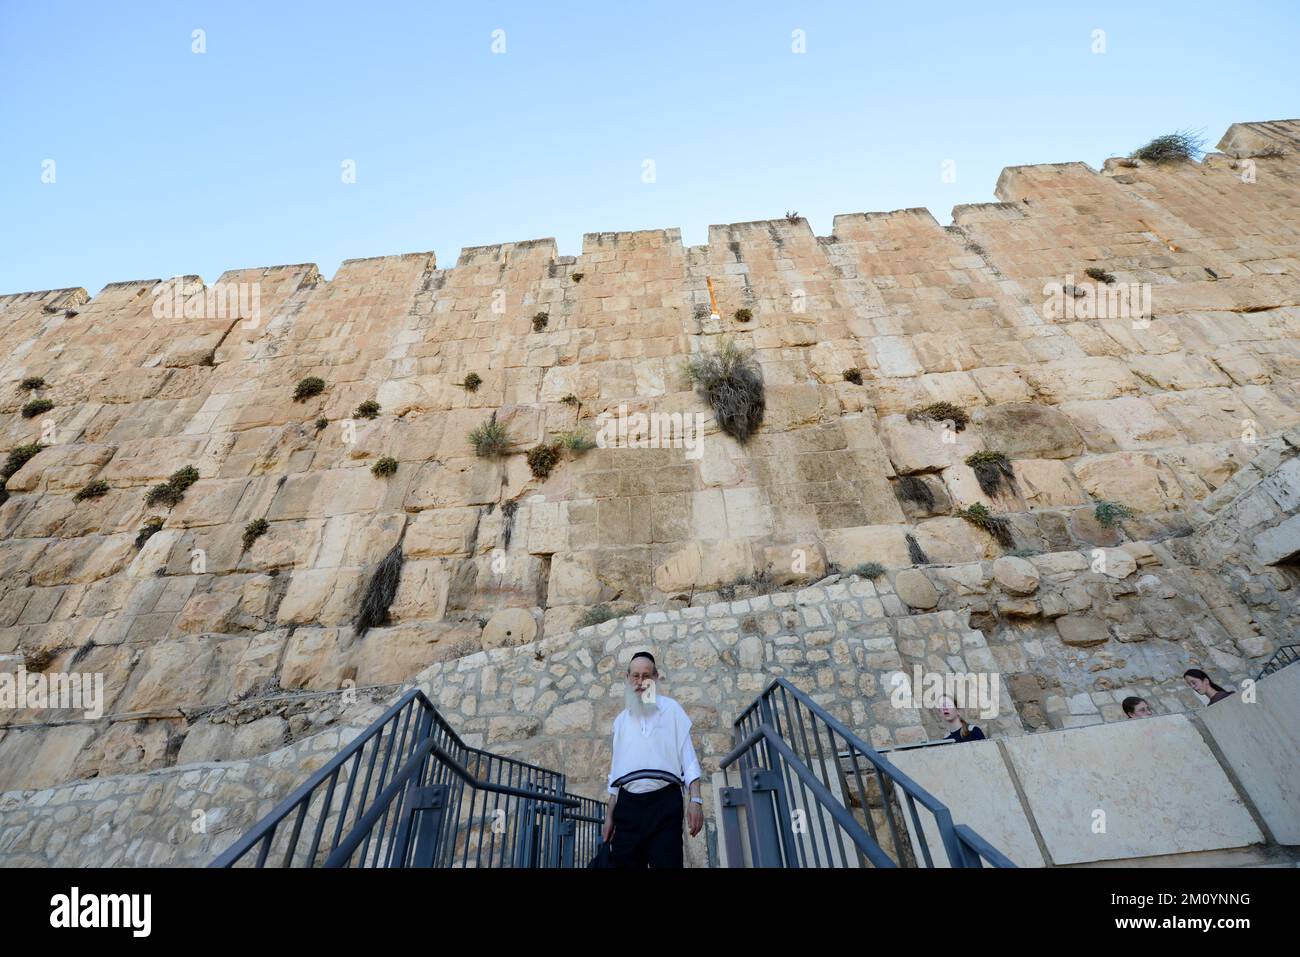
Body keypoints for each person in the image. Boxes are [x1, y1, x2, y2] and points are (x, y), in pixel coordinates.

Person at [601, 651, 703, 868]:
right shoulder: (620, 722)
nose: (640, 682)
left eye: (645, 676)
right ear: (628, 679)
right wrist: (609, 816)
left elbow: (689, 760)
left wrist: (696, 800)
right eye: (635, 676)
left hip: (665, 805)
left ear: (655, 678)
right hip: (628, 808)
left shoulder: (672, 710)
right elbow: (615, 775)